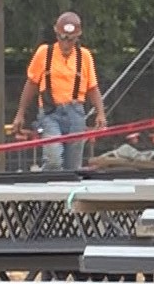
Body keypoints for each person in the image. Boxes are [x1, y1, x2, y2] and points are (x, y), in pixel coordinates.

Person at [11, 10, 107, 171]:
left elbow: (93, 88)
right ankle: (46, 186)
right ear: (57, 34)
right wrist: (20, 113)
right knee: (54, 158)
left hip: (75, 114)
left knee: (72, 167)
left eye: (70, 39)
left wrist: (100, 113)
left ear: (77, 37)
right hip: (50, 113)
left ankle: (66, 194)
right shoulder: (44, 53)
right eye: (62, 38)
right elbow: (31, 84)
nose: (66, 43)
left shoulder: (84, 56)